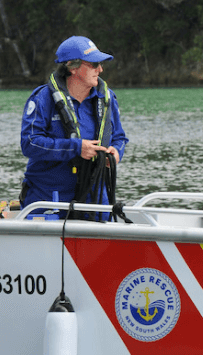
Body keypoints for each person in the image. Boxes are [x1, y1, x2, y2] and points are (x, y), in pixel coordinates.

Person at [20, 36, 129, 218]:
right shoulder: (42, 99)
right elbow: (29, 143)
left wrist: (116, 152)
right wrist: (76, 148)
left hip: (95, 197)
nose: (100, 70)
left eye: (101, 64)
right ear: (72, 67)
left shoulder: (108, 99)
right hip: (47, 198)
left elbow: (119, 137)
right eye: (94, 64)